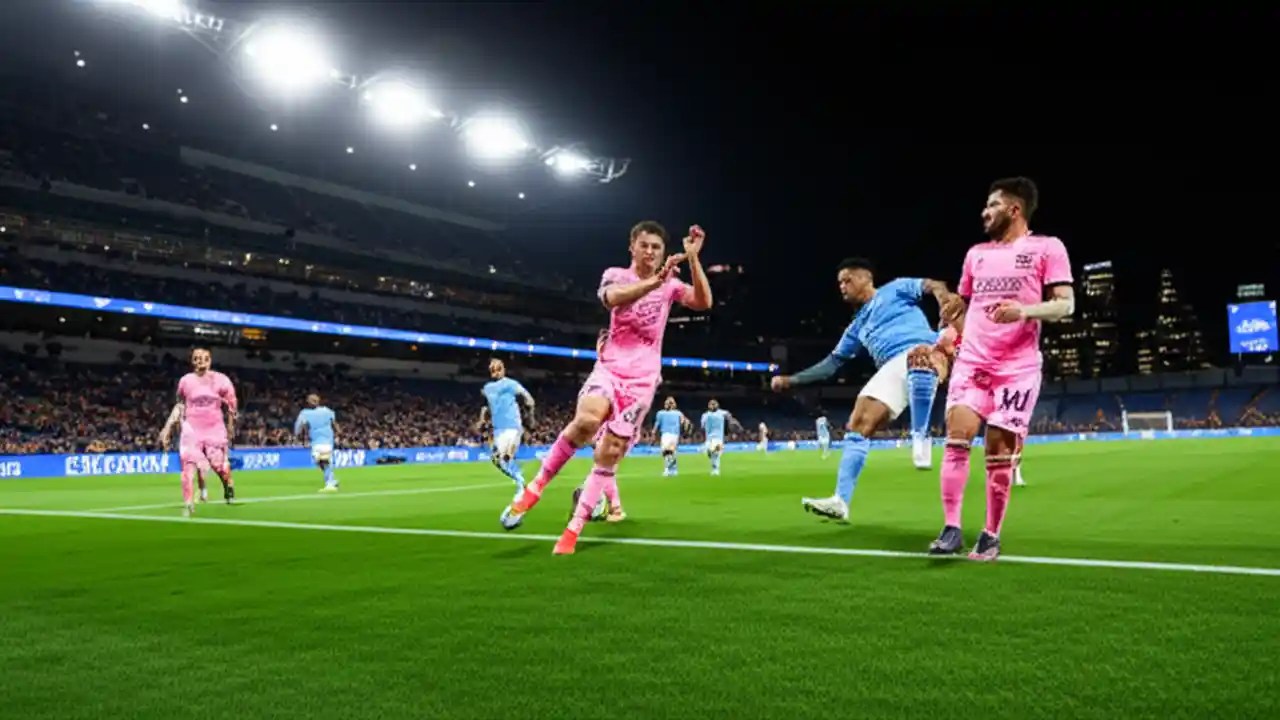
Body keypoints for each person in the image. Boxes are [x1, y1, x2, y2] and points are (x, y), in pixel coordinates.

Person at [500, 221, 713, 555]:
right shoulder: (616, 274)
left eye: (656, 247)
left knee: (610, 450)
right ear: (632, 247)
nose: (650, 251)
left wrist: (693, 258)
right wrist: (652, 282)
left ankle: (573, 530)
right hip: (611, 367)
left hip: (642, 379)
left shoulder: (671, 284)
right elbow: (612, 299)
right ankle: (535, 488)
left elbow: (703, 302)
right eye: (644, 245)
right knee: (587, 420)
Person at [927, 177, 1072, 560]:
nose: (984, 212)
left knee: (998, 450)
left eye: (991, 205)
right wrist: (951, 321)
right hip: (974, 362)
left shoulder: (1047, 248)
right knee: (956, 439)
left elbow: (1065, 305)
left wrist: (1024, 310)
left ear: (1014, 209)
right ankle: (951, 528)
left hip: (1018, 367)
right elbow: (966, 304)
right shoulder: (976, 254)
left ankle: (990, 534)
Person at [770, 257, 961, 522]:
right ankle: (840, 500)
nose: (843, 286)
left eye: (848, 280)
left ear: (866, 278)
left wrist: (943, 299)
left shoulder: (895, 288)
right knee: (858, 423)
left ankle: (921, 436)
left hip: (931, 350)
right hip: (892, 366)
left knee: (918, 355)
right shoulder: (856, 327)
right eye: (839, 283)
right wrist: (792, 380)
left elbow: (933, 284)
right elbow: (831, 364)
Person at [159, 347, 238, 516]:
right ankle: (188, 502)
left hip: (214, 428)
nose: (199, 361)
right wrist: (167, 428)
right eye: (196, 358)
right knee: (187, 465)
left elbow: (232, 405)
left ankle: (227, 482)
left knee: (218, 465)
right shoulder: (185, 381)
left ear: (209, 360)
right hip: (191, 428)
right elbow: (180, 405)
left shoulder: (221, 380)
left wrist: (231, 426)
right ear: (192, 361)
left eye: (203, 358)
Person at [477, 358, 536, 498]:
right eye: (493, 369)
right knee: (498, 460)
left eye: (498, 368)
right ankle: (520, 479)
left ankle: (521, 484)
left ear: (503, 369)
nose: (496, 371)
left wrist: (531, 415)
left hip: (513, 426)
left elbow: (528, 397)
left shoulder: (511, 384)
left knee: (506, 457)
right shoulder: (487, 388)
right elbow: (485, 405)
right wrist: (481, 419)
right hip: (498, 428)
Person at [294, 393, 339, 492]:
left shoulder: (306, 413)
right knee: (319, 461)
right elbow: (334, 423)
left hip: (324, 440)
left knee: (323, 461)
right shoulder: (326, 411)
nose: (311, 402)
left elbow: (299, 426)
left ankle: (330, 483)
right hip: (318, 440)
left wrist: (297, 435)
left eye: (312, 400)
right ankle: (332, 480)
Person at [699, 398, 741, 476]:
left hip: (718, 438)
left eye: (714, 404)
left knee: (715, 453)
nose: (713, 405)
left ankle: (716, 470)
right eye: (711, 404)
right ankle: (712, 455)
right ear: (708, 406)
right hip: (709, 439)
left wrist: (735, 426)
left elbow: (730, 418)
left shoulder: (723, 413)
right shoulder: (705, 415)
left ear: (717, 405)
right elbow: (702, 426)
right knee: (709, 451)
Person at [652, 396, 692, 476]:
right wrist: (686, 429)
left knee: (667, 452)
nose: (666, 405)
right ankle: (673, 469)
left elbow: (685, 422)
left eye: (668, 403)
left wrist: (654, 432)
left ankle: (668, 469)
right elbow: (686, 422)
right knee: (671, 452)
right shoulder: (665, 413)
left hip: (669, 435)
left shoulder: (667, 413)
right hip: (672, 434)